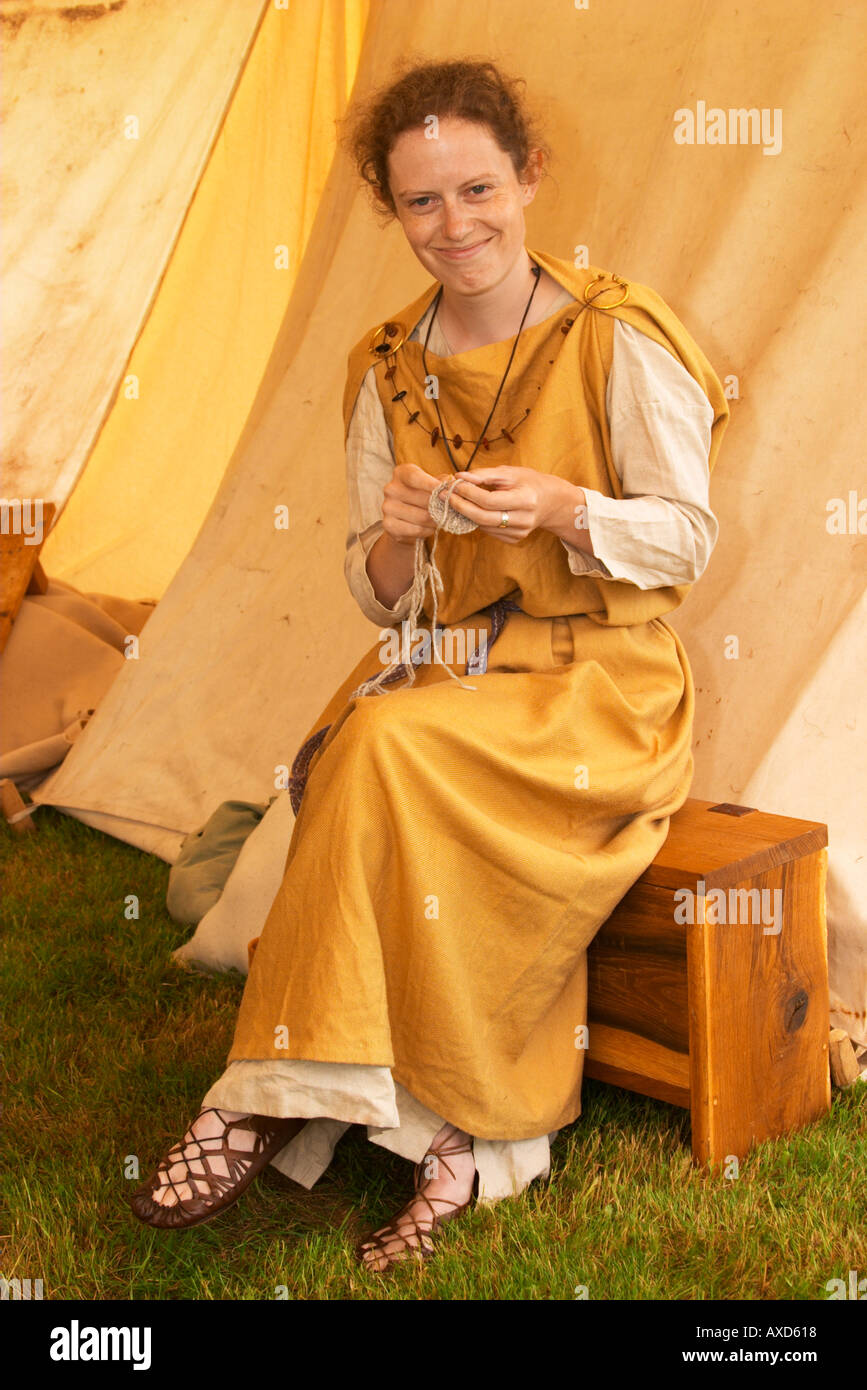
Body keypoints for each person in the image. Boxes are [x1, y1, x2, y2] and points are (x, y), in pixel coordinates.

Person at [130, 58, 728, 1273]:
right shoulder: (387, 367)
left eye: (478, 190)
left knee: (390, 746)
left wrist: (567, 505)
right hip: (455, 667)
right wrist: (401, 532)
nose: (456, 228)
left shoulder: (617, 334)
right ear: (390, 210)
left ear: (530, 176)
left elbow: (689, 541)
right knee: (370, 743)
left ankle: (281, 1099)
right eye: (421, 204)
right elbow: (376, 593)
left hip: (603, 681)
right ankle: (425, 1132)